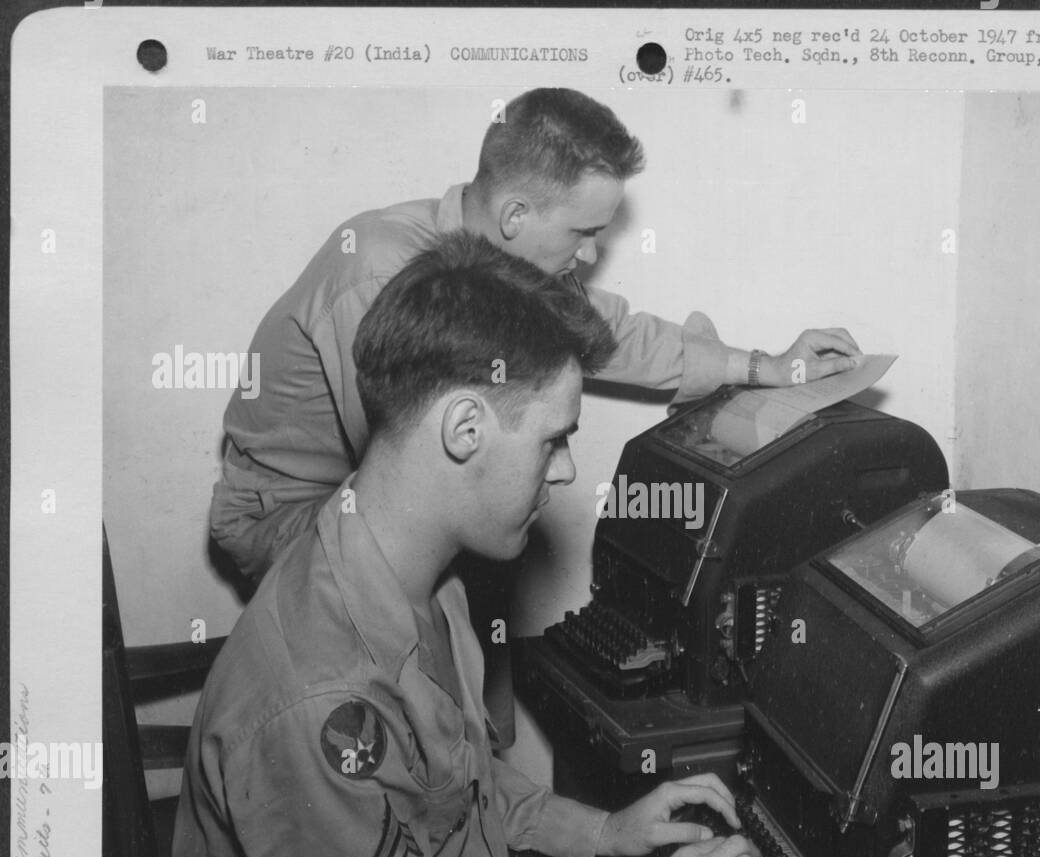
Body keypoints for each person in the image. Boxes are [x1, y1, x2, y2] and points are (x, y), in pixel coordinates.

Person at [172, 231, 775, 857]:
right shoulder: (318, 703)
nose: (563, 471)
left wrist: (604, 831)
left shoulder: (423, 573)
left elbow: (454, 786)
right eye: (553, 439)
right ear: (464, 429)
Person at [211, 86, 863, 583]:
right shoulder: (379, 274)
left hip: (378, 491)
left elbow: (612, 333)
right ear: (516, 215)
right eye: (583, 232)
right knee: (462, 558)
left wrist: (766, 366)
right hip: (291, 505)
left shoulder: (503, 257)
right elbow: (405, 483)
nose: (588, 255)